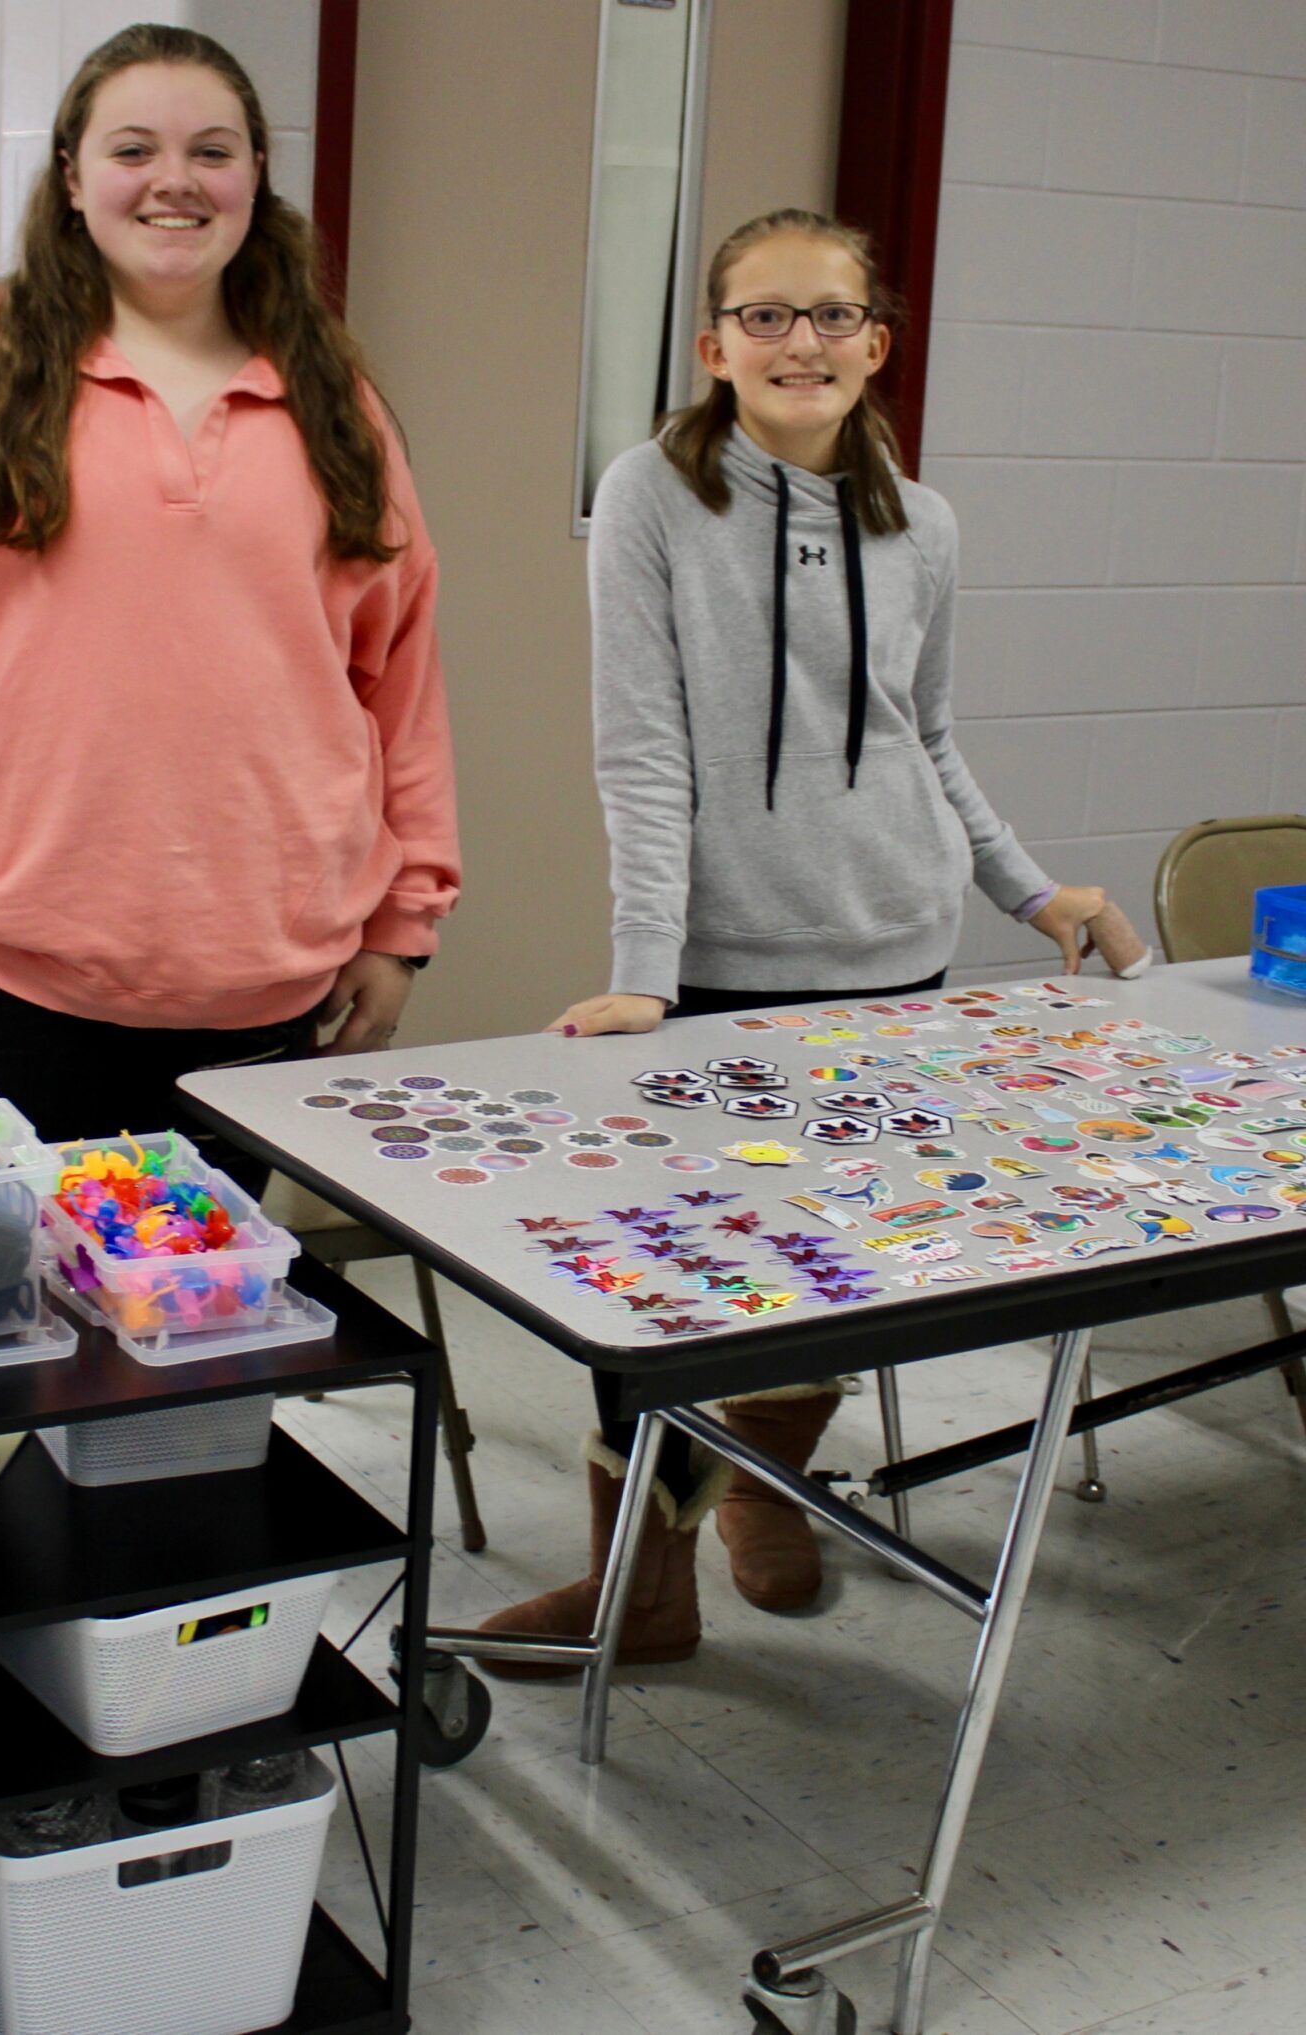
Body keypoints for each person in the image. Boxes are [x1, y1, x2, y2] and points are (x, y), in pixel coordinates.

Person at [480, 208, 1122, 1674]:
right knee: (674, 1278)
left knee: (835, 1265)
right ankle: (635, 1577)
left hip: (896, 951)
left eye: (830, 316)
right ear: (714, 348)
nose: (799, 342)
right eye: (764, 318)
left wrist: (1032, 895)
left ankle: (762, 1488)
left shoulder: (927, 521)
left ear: (876, 345)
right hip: (719, 969)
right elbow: (642, 753)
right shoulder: (650, 495)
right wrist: (649, 965)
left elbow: (932, 739)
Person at [0, 25, 459, 1161]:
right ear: (71, 176)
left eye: (213, 150)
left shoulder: (332, 398)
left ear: (255, 177)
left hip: (265, 984)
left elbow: (399, 680)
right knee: (14, 1324)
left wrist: (403, 922)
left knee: (202, 1316)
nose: (174, 182)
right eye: (132, 149)